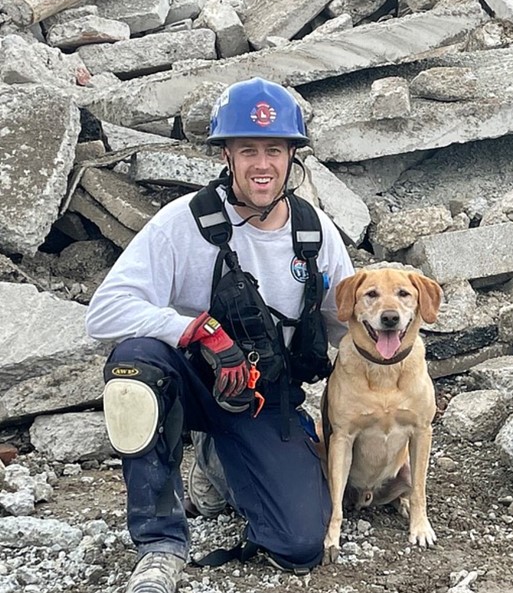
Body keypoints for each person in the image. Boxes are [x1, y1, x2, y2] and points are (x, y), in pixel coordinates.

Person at [85, 78, 355, 593]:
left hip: (262, 399)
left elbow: (347, 321)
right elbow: (104, 313)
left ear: (292, 157)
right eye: (247, 149)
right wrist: (196, 330)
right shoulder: (181, 224)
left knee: (298, 546)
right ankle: (160, 545)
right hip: (194, 381)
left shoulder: (314, 233)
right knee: (134, 366)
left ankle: (215, 463)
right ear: (227, 156)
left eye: (274, 149)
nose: (261, 164)